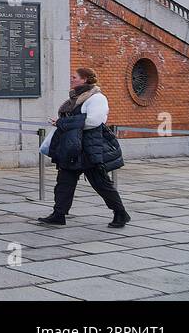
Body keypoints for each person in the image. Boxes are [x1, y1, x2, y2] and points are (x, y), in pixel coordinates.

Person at [38, 67, 129, 228]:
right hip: (72, 147)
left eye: (75, 77)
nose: (71, 79)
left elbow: (94, 121)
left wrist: (63, 123)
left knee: (100, 183)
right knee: (64, 182)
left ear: (85, 79)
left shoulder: (97, 98)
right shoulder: (76, 97)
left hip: (89, 147)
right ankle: (59, 214)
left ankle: (120, 213)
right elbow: (77, 119)